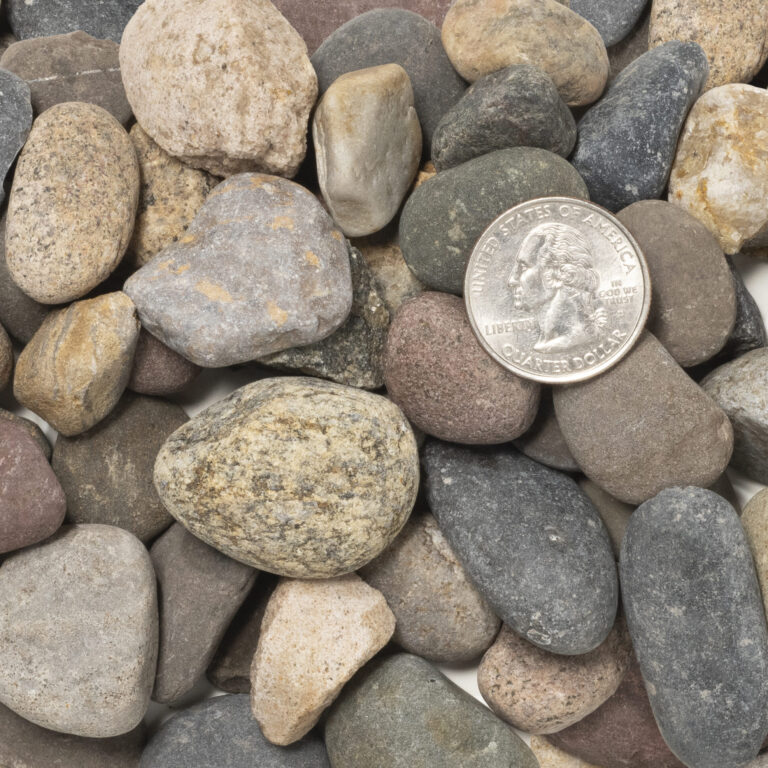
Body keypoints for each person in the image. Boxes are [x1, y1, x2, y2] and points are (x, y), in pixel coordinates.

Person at [507, 222, 608, 353]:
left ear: (558, 273)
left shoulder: (576, 341)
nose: (512, 280)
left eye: (524, 267)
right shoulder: (545, 344)